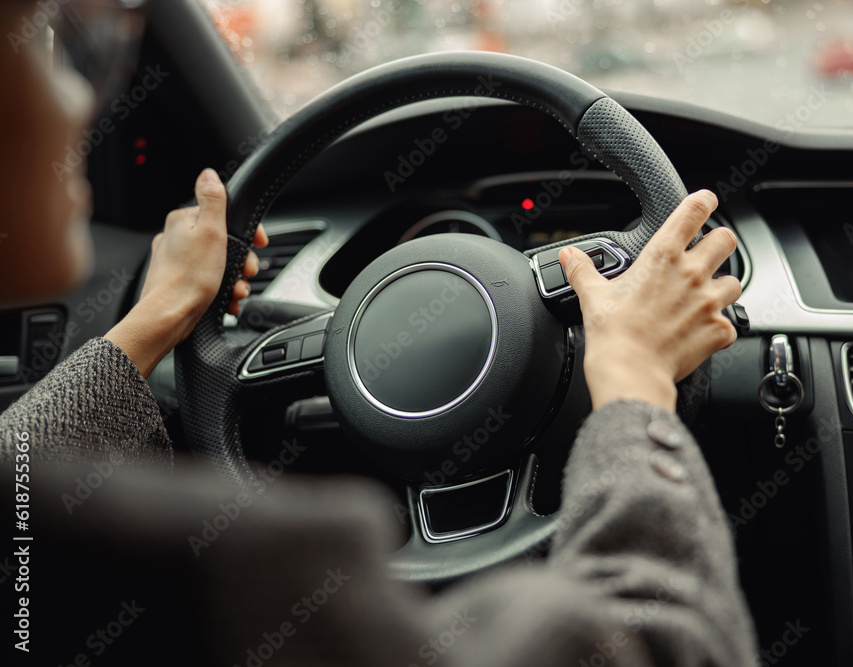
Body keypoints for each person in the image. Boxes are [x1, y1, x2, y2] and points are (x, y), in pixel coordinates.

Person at [0, 1, 756, 665]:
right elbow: (663, 643)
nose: (78, 100)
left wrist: (155, 319)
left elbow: (27, 502)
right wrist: (632, 379)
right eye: (41, 49)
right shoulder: (252, 566)